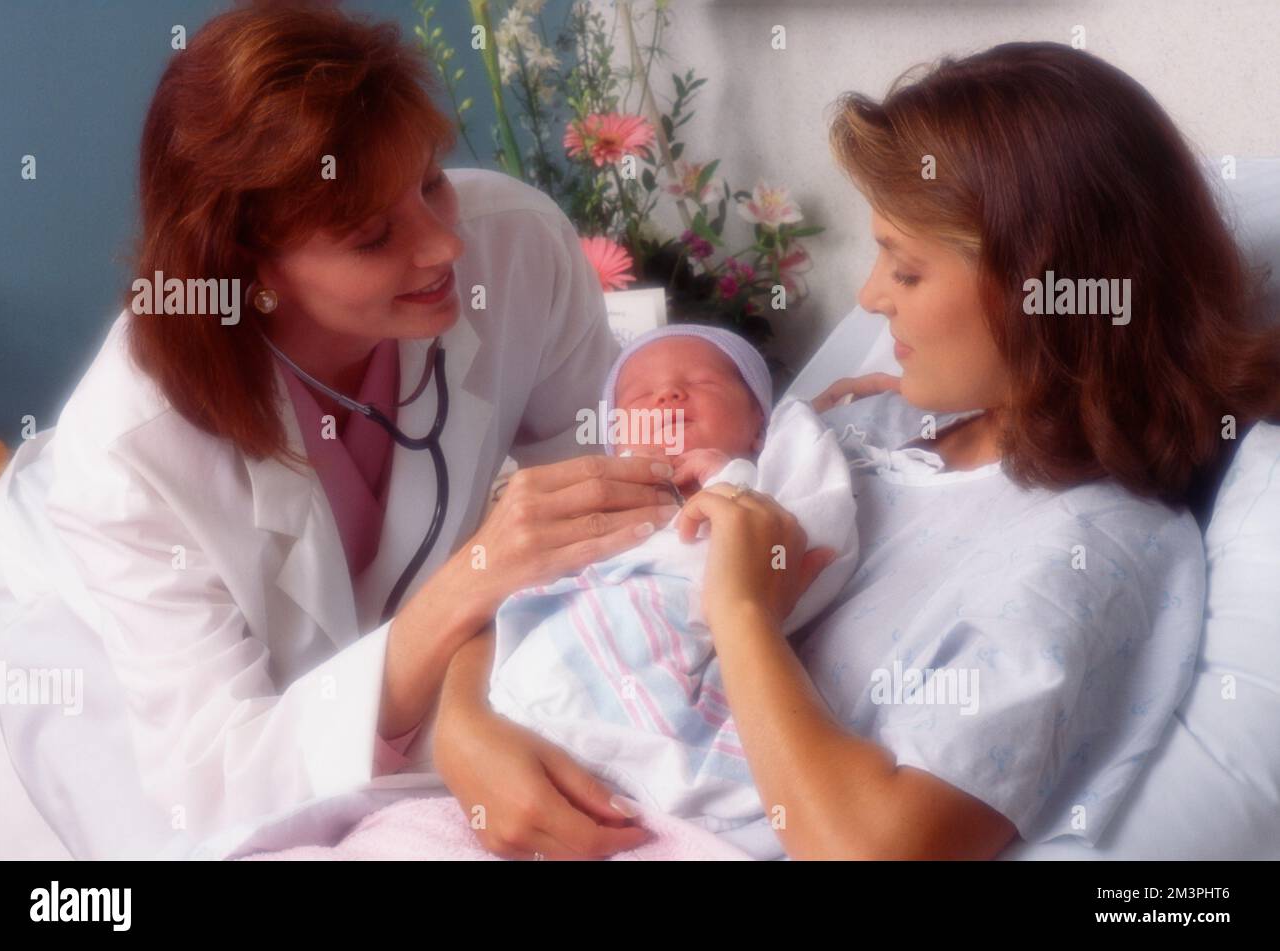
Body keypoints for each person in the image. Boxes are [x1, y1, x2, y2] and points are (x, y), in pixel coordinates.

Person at [431, 42, 1280, 860]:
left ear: (1046, 293)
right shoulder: (866, 426)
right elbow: (589, 582)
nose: (870, 298)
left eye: (905, 270)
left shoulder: (1095, 558)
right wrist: (466, 724)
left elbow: (874, 847)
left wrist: (743, 613)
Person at [0, 1, 677, 859]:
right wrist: (469, 585)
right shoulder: (130, 456)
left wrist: (459, 704)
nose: (443, 247)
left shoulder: (520, 251)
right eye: (372, 235)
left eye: (430, 181)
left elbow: (607, 540)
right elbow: (217, 782)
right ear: (248, 268)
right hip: (90, 620)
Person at [483, 327, 857, 853]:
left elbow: (822, 536)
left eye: (701, 380)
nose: (668, 395)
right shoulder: (596, 507)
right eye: (640, 394)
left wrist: (735, 484)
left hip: (674, 700)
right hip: (533, 710)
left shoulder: (769, 486)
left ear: (758, 427)